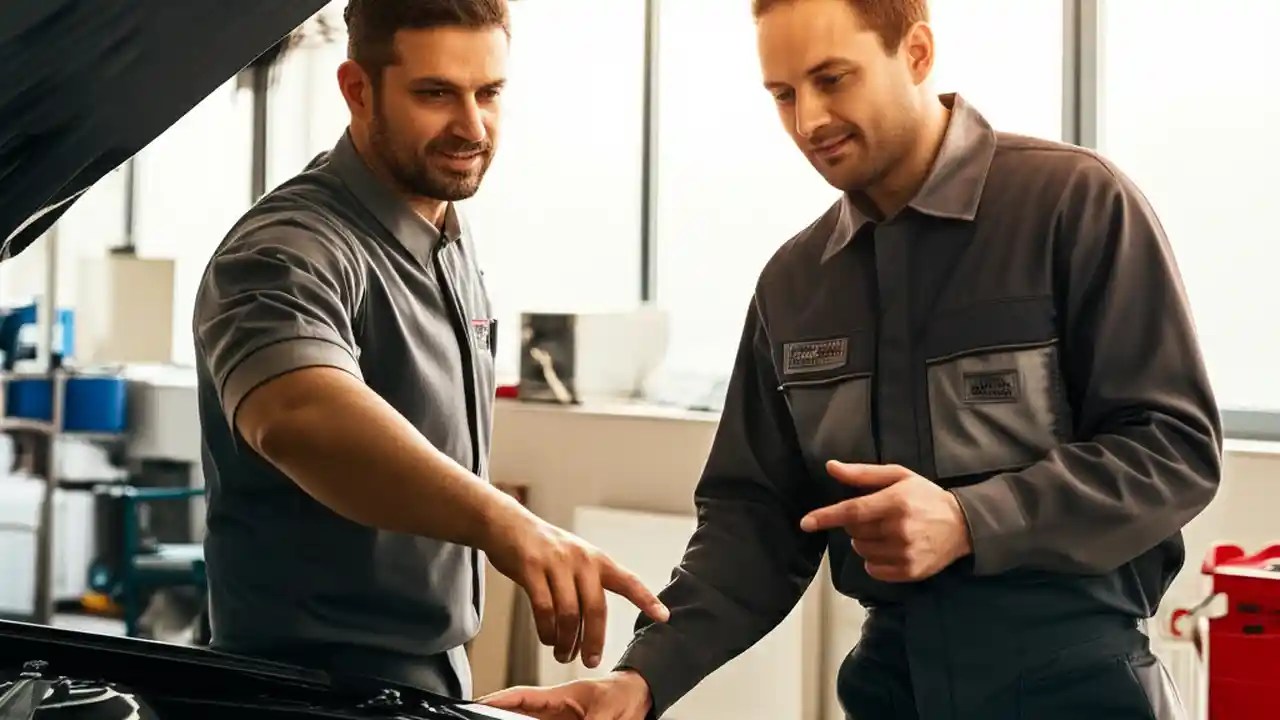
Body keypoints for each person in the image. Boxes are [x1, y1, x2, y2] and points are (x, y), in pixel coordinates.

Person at [481, 0, 1222, 718]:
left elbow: (1173, 448)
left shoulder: (1076, 205)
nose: (808, 121)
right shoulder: (794, 284)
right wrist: (639, 681)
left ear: (918, 53)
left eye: (833, 79)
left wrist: (972, 519)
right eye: (782, 94)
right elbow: (756, 522)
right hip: (891, 690)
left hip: (1080, 688)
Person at [191, 0, 668, 700]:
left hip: (422, 680)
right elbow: (300, 416)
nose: (472, 127)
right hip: (302, 689)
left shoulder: (444, 231)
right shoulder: (284, 251)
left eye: (489, 93)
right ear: (358, 90)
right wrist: (508, 525)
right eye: (436, 93)